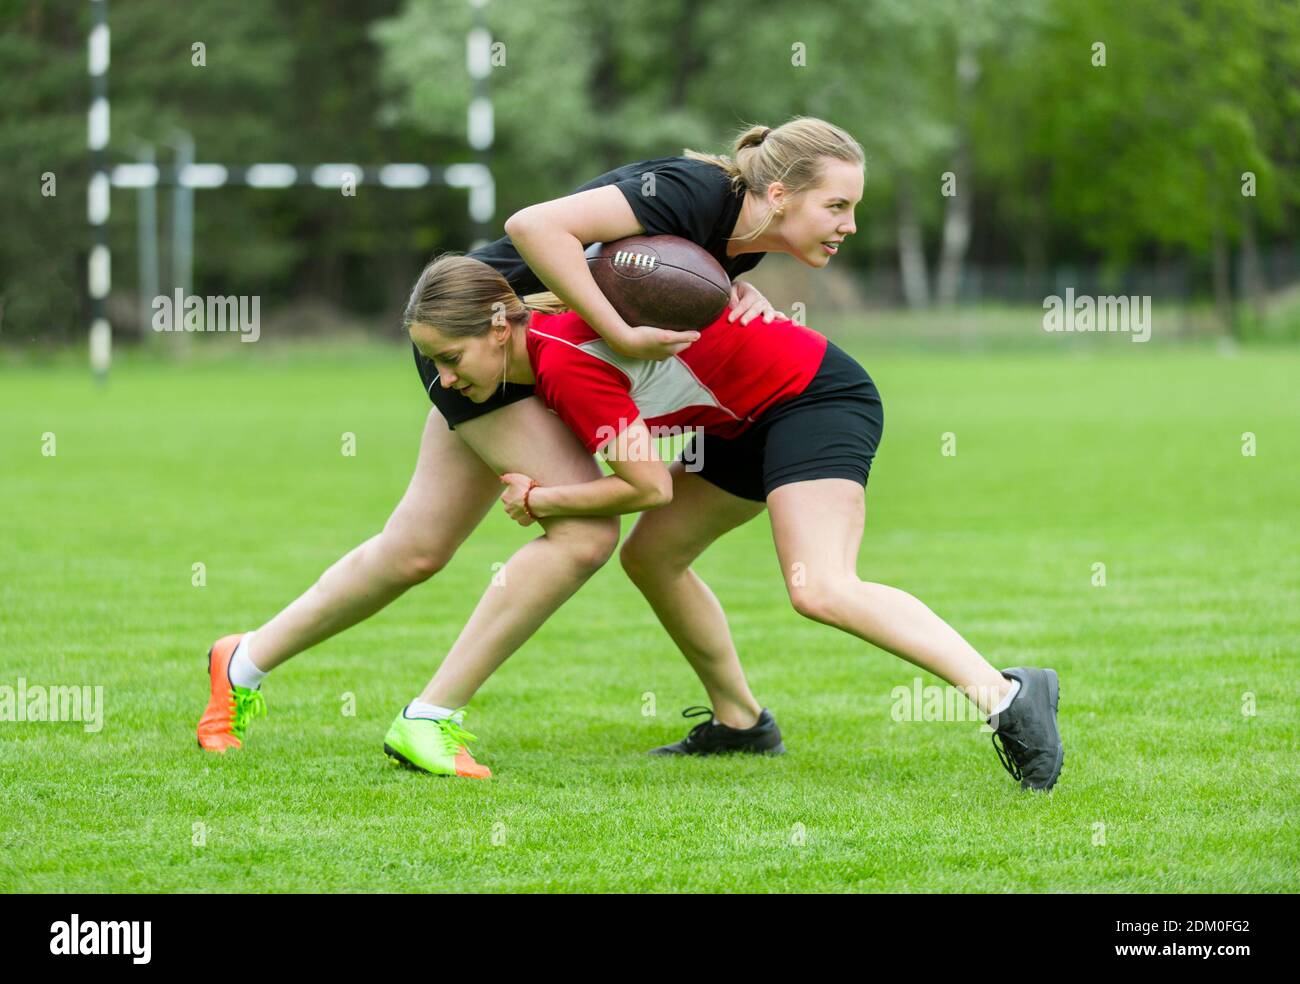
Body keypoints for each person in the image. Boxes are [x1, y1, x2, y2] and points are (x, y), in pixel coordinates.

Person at [197, 117, 869, 779]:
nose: (847, 223)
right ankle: (428, 720)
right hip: (480, 339)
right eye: (837, 205)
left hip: (526, 348)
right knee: (584, 538)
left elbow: (658, 275)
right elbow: (532, 226)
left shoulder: (742, 236)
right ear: (778, 191)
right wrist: (620, 332)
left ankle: (244, 660)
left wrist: (733, 292)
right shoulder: (695, 188)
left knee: (416, 548)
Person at [403, 253, 1066, 792]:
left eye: (451, 358)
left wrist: (541, 502)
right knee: (652, 559)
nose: (444, 379)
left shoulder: (560, 362)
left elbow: (647, 485)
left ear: (497, 330)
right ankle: (742, 723)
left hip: (813, 401)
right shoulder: (547, 343)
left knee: (821, 587)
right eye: (432, 362)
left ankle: (1007, 695)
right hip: (737, 422)